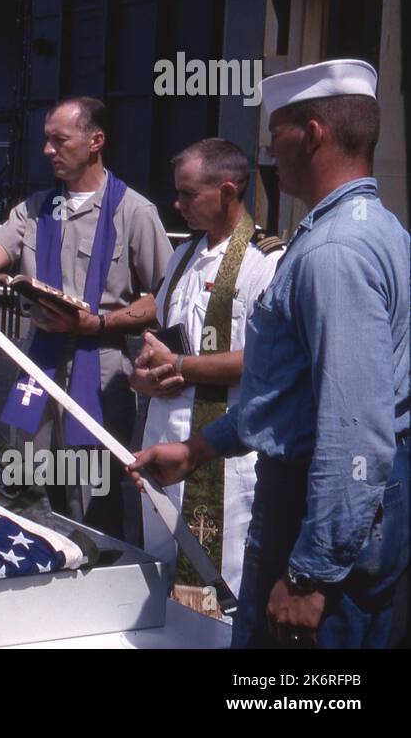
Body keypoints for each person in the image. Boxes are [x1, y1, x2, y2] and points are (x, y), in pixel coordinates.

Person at [130, 59, 409, 648]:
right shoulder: (375, 230)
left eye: (275, 131)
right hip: (347, 505)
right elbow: (291, 389)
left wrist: (310, 574)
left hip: (319, 506)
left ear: (312, 133)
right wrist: (198, 448)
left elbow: (354, 428)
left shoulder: (334, 253)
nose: (268, 149)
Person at [0, 97, 173, 540]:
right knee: (26, 480)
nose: (47, 149)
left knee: (93, 488)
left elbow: (165, 298)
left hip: (102, 368)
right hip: (38, 366)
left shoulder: (134, 212)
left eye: (59, 140)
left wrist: (98, 324)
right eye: (46, 139)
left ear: (95, 140)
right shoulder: (34, 209)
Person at [132, 138, 284, 601]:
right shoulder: (182, 257)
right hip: (165, 433)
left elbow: (266, 359)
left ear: (227, 190)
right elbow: (159, 337)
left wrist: (182, 365)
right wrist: (143, 375)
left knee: (220, 583)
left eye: (187, 194)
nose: (176, 205)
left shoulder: (269, 262)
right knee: (161, 567)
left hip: (221, 447)